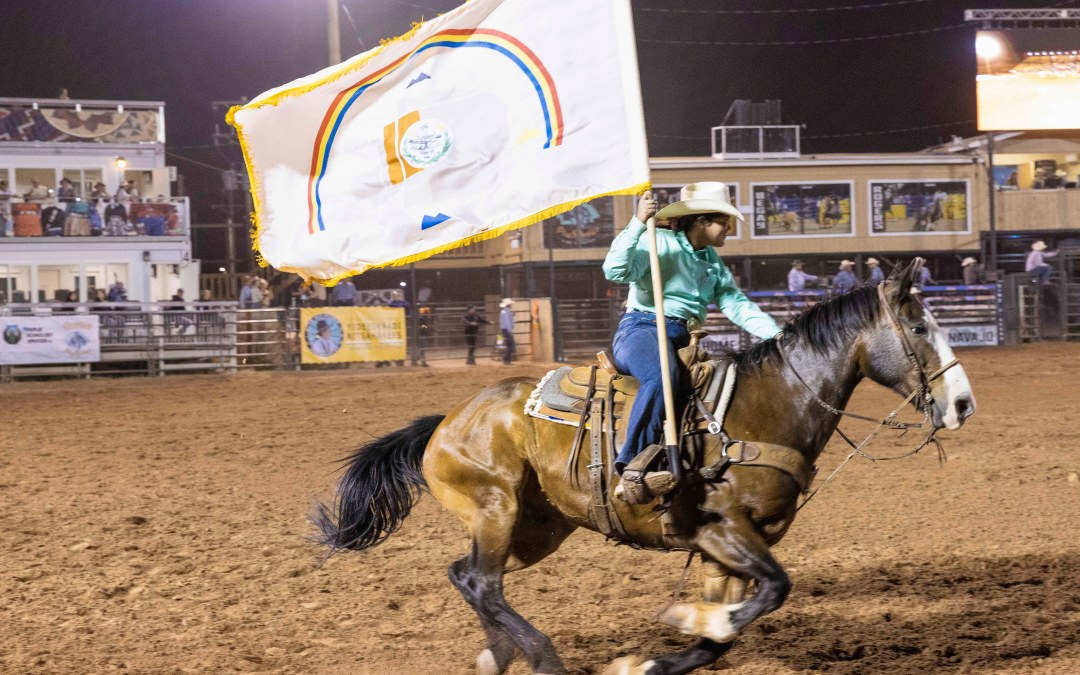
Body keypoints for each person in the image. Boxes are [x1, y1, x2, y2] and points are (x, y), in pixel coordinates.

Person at [603, 184, 782, 500]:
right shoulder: (657, 242)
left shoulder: (711, 261)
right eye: (723, 221)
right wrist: (635, 224)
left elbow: (734, 302)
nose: (728, 228)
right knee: (663, 375)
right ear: (701, 221)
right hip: (642, 329)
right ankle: (632, 467)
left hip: (683, 340)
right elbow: (615, 271)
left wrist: (775, 334)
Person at [499, 298, 516, 365]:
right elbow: (507, 321)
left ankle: (507, 360)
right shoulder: (506, 311)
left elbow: (507, 319)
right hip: (507, 330)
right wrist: (510, 330)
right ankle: (506, 358)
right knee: (511, 345)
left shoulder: (505, 311)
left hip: (505, 330)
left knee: (509, 345)